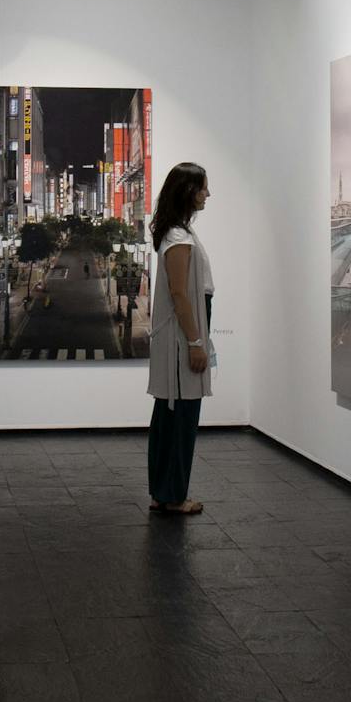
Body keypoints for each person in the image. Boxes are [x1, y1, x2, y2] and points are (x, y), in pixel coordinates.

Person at [145, 162, 213, 515]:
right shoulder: (179, 238)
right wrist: (195, 342)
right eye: (203, 188)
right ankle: (173, 495)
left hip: (180, 332)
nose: (207, 194)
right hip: (181, 334)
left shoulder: (177, 233)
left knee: (170, 415)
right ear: (188, 191)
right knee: (181, 415)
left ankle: (164, 491)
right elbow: (181, 294)